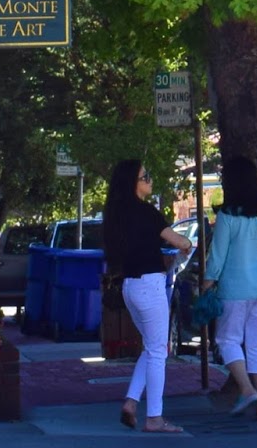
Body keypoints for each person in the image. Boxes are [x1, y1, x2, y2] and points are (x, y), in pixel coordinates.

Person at [104, 159, 192, 434]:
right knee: (158, 352)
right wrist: (188, 244)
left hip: (130, 287)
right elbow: (179, 241)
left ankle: (131, 401)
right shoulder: (147, 213)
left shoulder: (116, 215)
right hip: (150, 287)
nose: (150, 180)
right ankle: (154, 417)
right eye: (146, 176)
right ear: (134, 182)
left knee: (151, 346)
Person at [202, 155, 257, 421]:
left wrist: (207, 283)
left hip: (234, 287)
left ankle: (246, 388)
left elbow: (217, 256)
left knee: (227, 339)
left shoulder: (228, 215)